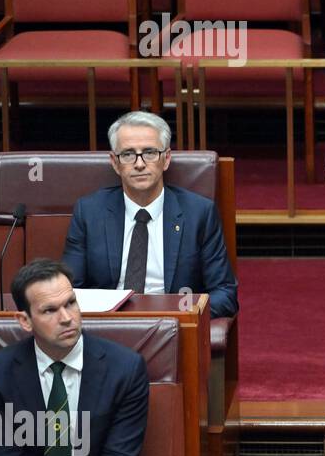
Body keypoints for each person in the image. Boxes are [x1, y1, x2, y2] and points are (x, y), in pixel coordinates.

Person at [63, 110, 238, 318]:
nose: (139, 163)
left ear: (166, 159)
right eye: (128, 154)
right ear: (114, 162)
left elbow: (225, 294)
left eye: (149, 152)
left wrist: (178, 316)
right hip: (108, 328)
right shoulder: (89, 212)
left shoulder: (199, 213)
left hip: (172, 329)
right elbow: (69, 292)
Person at [0, 259, 148, 456]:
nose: (66, 318)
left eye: (70, 303)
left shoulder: (125, 369)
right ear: (25, 321)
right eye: (50, 310)